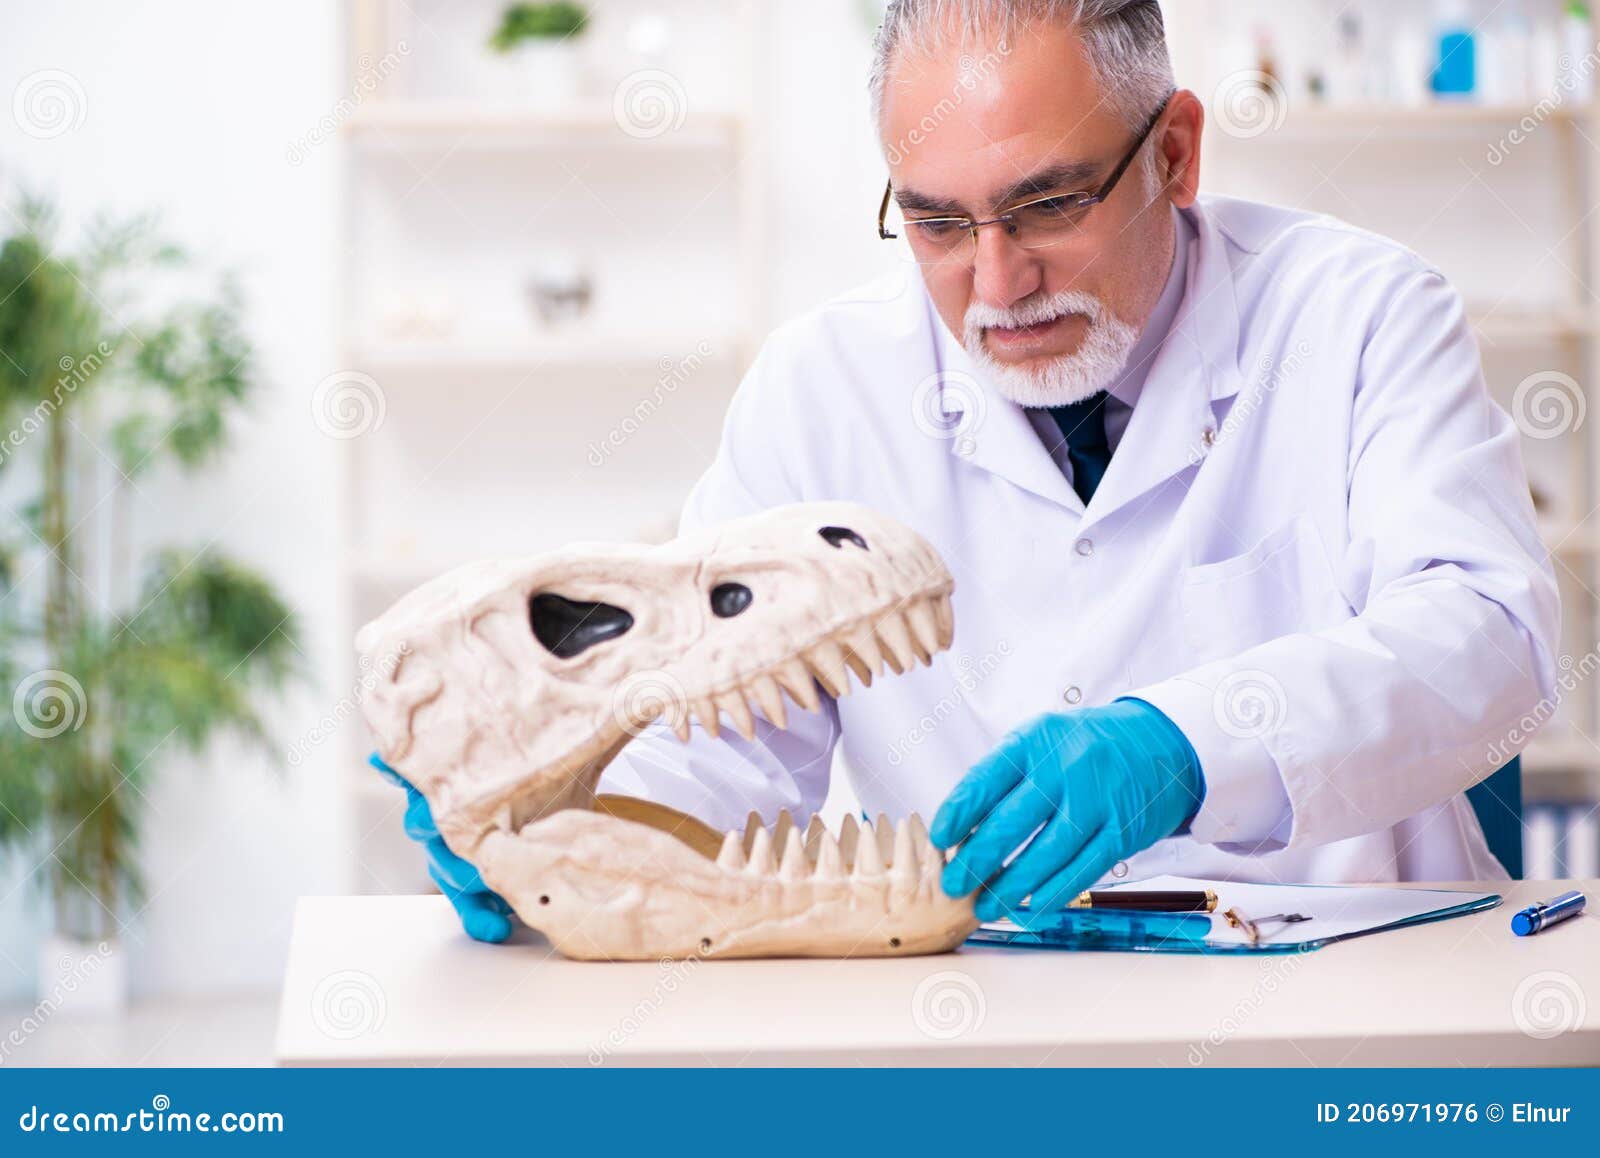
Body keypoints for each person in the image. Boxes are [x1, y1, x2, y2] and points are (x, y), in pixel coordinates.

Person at [393, 0, 1560, 943]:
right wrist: (567, 824)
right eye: (938, 225)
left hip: (1349, 987)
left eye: (1046, 205)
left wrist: (1186, 742)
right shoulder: (820, 387)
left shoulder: (1358, 314)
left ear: (1174, 153)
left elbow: (1491, 634)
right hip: (984, 999)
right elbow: (722, 734)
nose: (997, 287)